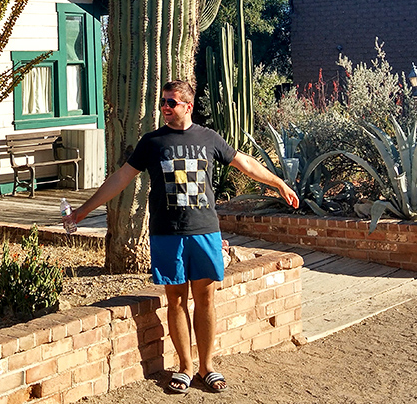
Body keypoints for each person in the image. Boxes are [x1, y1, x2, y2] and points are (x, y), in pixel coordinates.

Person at [63, 79, 299, 394]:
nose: (164, 107)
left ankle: (207, 366)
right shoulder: (152, 142)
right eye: (163, 102)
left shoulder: (209, 138)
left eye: (171, 102)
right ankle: (186, 367)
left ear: (187, 106)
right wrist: (82, 210)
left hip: (204, 230)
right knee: (175, 300)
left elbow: (245, 164)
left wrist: (278, 183)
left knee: (206, 298)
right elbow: (120, 178)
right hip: (167, 232)